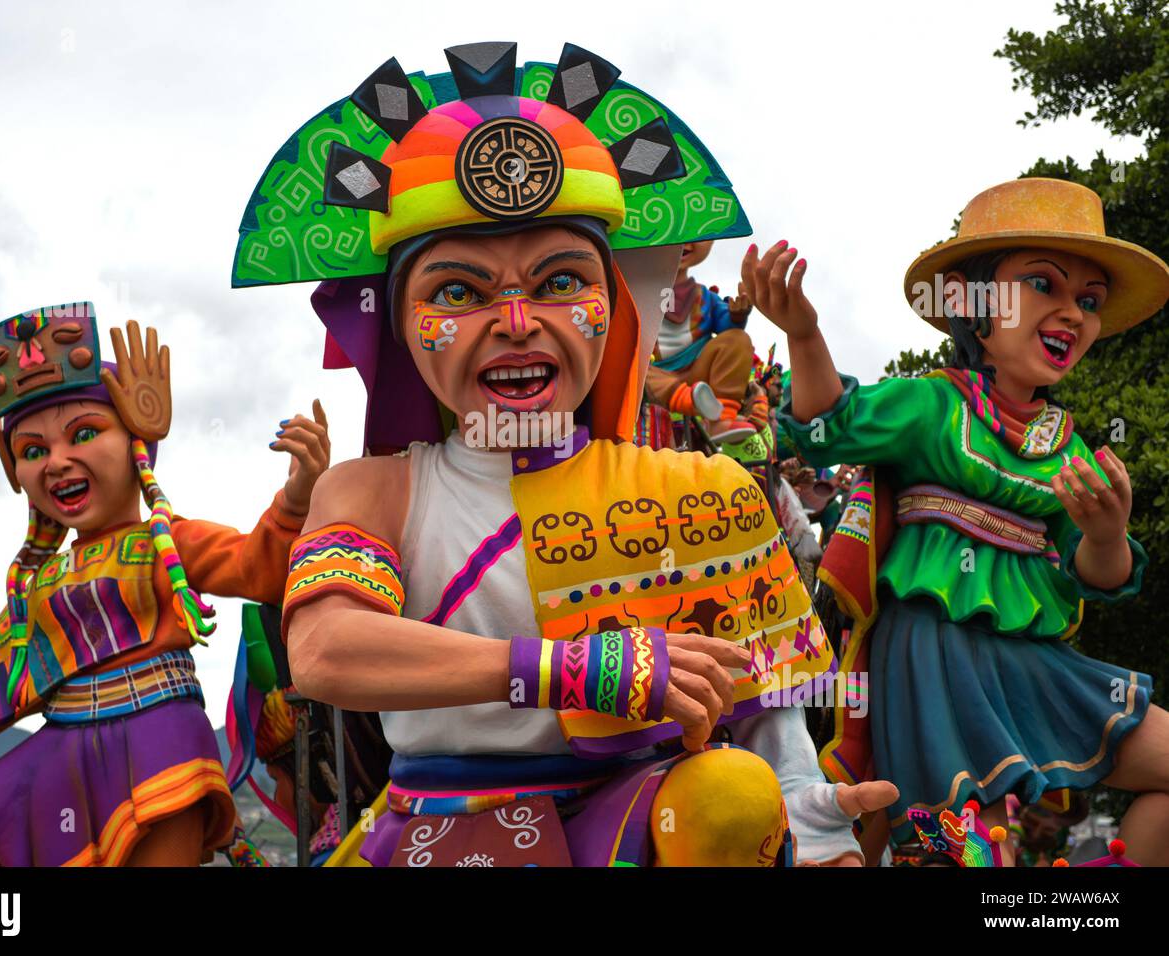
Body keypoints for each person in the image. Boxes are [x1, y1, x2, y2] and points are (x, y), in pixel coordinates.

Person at [232, 40, 896, 866]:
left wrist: (807, 812)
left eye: (558, 283)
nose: (516, 323)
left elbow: (768, 724)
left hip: (644, 821)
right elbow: (328, 650)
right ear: (403, 325)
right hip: (436, 828)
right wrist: (570, 670)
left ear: (612, 310)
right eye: (458, 292)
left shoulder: (703, 488)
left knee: (727, 794)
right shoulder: (372, 490)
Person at [751, 177, 1169, 865]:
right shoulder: (933, 408)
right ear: (974, 308)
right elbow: (829, 425)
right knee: (962, 849)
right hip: (936, 658)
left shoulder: (1065, 444)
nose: (1073, 314)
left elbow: (1099, 577)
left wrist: (1105, 533)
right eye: (1045, 286)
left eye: (1089, 301)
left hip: (1036, 661)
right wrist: (804, 333)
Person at [0, 305, 325, 866]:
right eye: (33, 451)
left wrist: (297, 500)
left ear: (137, 442)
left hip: (159, 745)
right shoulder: (40, 587)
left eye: (83, 434)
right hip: (60, 749)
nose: (57, 462)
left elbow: (259, 567)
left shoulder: (165, 544)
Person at [644, 240, 756, 440]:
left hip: (697, 374)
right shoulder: (639, 290)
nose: (683, 241)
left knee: (738, 340)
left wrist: (738, 314)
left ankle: (721, 419)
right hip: (655, 375)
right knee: (636, 367)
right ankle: (694, 402)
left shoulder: (705, 296)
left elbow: (727, 328)